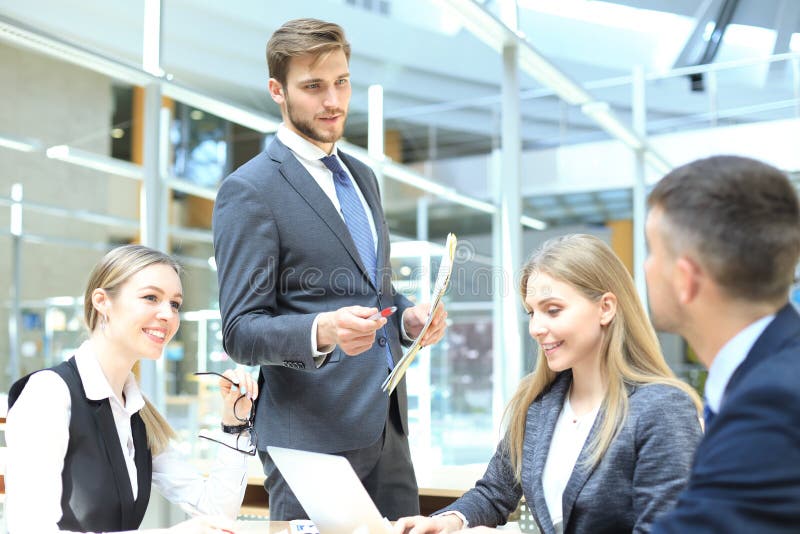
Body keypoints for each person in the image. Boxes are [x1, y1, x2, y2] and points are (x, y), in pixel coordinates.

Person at [211, 18, 447, 521]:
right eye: (313, 87)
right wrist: (324, 330)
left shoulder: (362, 177)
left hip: (387, 433)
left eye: (341, 82)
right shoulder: (250, 190)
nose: (333, 100)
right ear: (278, 90)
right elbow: (239, 331)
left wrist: (406, 319)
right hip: (310, 443)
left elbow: (372, 287)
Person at [395, 234, 702, 534]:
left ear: (606, 308)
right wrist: (449, 521)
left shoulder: (662, 409)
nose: (536, 328)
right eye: (532, 313)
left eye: (553, 310)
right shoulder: (539, 403)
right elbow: (494, 493)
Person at [4, 245, 258, 533]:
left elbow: (217, 512)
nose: (168, 314)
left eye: (175, 304)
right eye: (151, 297)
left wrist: (234, 421)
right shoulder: (49, 394)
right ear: (102, 301)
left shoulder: (137, 411)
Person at [645, 155, 800, 532]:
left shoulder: (771, 405)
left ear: (686, 279)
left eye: (651, 251)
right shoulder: (771, 373)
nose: (645, 268)